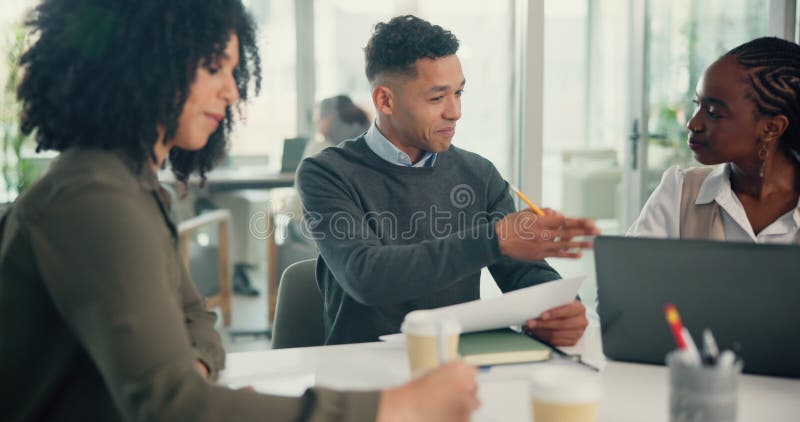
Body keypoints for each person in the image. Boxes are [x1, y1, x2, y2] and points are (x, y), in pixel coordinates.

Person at [0, 1, 480, 421]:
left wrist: (196, 370)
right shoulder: (94, 201)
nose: (232, 92)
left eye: (234, 71)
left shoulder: (134, 187)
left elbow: (200, 324)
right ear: (143, 65)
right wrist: (398, 410)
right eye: (214, 68)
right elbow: (174, 407)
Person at [296, 15, 600, 346]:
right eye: (437, 98)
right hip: (362, 378)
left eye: (459, 92)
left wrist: (558, 307)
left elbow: (523, 270)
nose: (455, 112)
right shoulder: (326, 173)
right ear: (385, 100)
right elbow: (366, 275)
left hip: (455, 367)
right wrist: (494, 240)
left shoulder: (479, 174)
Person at [628, 37, 800, 242]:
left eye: (713, 112)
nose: (693, 124)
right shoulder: (680, 191)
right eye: (697, 104)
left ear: (771, 128)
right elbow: (633, 270)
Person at [304, 94, 371, 157]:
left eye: (319, 116)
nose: (316, 121)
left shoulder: (320, 148)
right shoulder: (363, 136)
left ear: (332, 116)